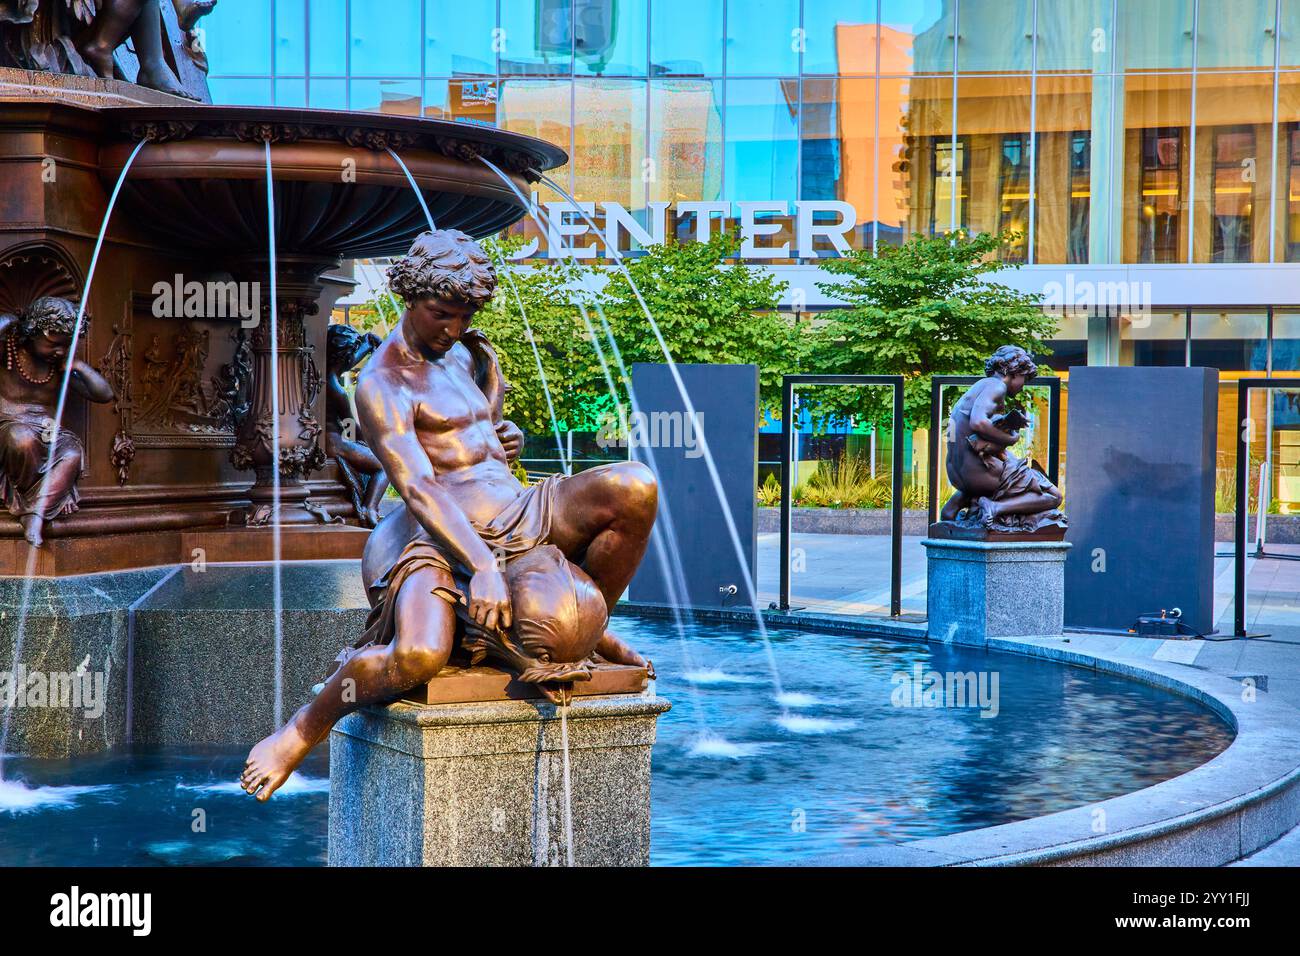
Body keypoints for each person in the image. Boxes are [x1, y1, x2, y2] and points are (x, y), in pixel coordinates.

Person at [242, 230, 656, 801]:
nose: (454, 329)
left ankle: (592, 623)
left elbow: (479, 438)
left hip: (517, 509)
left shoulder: (462, 352)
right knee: (418, 655)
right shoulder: (382, 383)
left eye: (464, 316)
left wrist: (501, 434)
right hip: (435, 535)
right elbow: (418, 484)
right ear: (409, 295)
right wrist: (483, 565)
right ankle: (302, 728)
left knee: (634, 486)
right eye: (442, 314)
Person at [0, 297, 114, 546]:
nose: (60, 351)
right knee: (22, 440)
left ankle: (35, 513)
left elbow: (104, 395)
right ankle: (47, 498)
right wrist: (7, 321)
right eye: (54, 343)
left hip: (48, 430)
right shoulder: (7, 352)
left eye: (67, 345)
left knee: (72, 453)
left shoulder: (58, 366)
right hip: (9, 423)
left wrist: (80, 366)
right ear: (31, 331)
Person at [940, 345, 1064, 530]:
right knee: (1054, 495)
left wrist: (1005, 424)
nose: (1023, 386)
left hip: (959, 474)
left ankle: (954, 507)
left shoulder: (978, 388)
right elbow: (978, 423)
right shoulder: (996, 386)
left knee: (1010, 465)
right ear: (1013, 372)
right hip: (979, 472)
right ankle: (995, 507)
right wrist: (1011, 440)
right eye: (1024, 379)